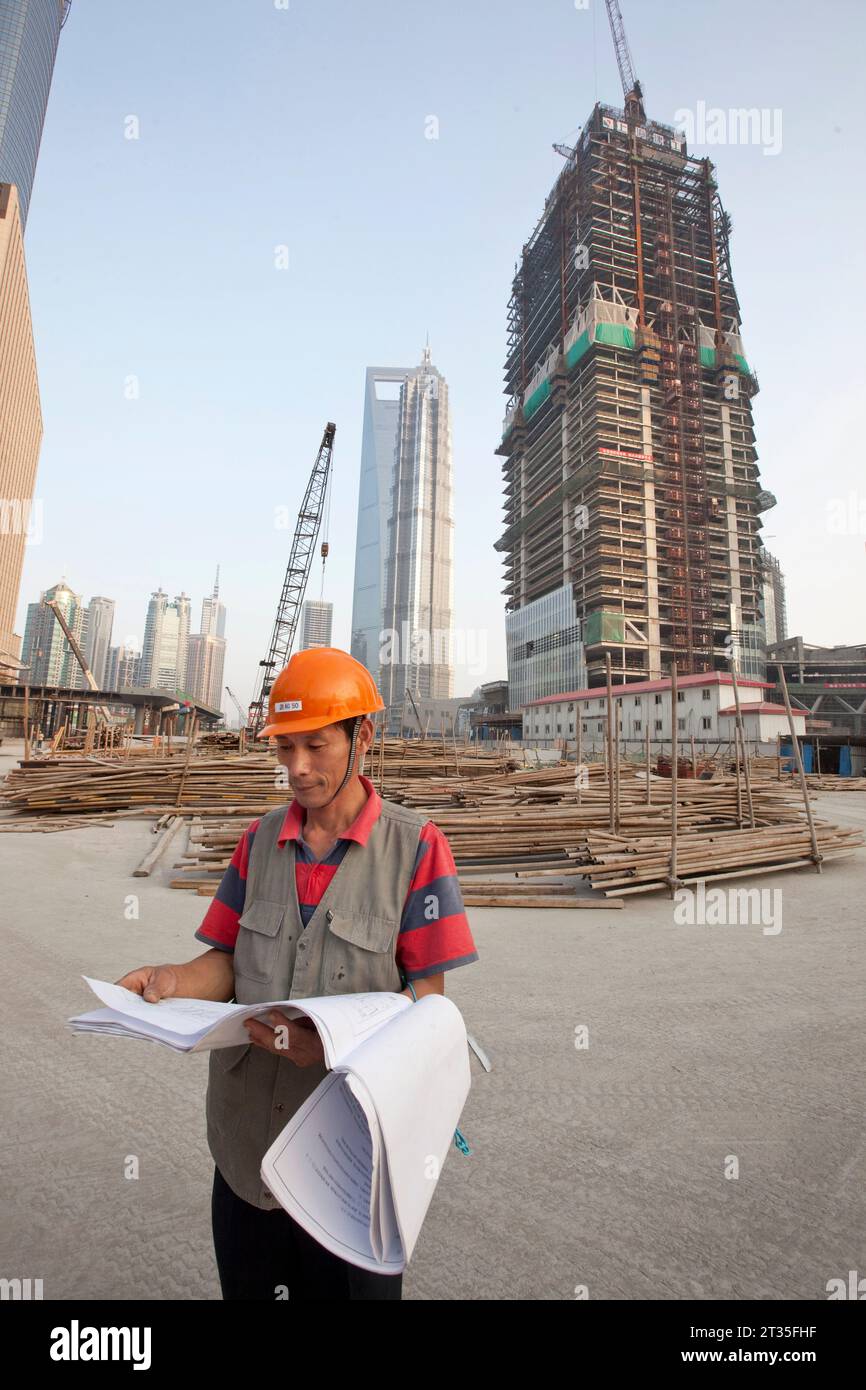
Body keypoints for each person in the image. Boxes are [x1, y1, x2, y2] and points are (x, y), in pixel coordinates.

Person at [117, 647, 478, 1300]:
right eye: (285, 749)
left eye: (316, 746)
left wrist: (331, 1049)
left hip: (350, 1172)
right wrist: (170, 980)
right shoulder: (258, 842)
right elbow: (225, 960)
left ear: (363, 736)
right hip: (244, 1156)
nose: (298, 769)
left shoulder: (418, 849)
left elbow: (429, 1001)